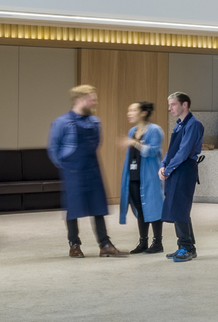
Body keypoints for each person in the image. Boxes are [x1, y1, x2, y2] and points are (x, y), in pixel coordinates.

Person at [48, 85, 120, 258]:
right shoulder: (61, 122)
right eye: (91, 99)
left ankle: (105, 244)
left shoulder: (95, 122)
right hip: (72, 170)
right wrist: (66, 165)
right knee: (72, 207)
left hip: (92, 168)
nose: (95, 102)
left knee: (98, 206)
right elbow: (53, 147)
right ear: (79, 100)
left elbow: (97, 143)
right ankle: (74, 245)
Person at [159, 91, 206, 262]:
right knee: (177, 208)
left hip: (184, 170)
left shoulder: (193, 124)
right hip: (174, 169)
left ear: (184, 104)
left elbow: (183, 152)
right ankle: (185, 246)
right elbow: (171, 150)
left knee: (180, 208)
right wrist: (163, 165)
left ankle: (186, 247)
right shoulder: (179, 125)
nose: (170, 108)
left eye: (173, 104)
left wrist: (168, 169)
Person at [118, 101, 166, 255]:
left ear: (143, 113)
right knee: (140, 209)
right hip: (134, 175)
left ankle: (157, 242)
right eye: (128, 111)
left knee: (154, 207)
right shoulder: (132, 131)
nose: (129, 114)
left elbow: (153, 151)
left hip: (149, 176)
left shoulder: (155, 130)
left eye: (133, 110)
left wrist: (135, 143)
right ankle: (143, 242)